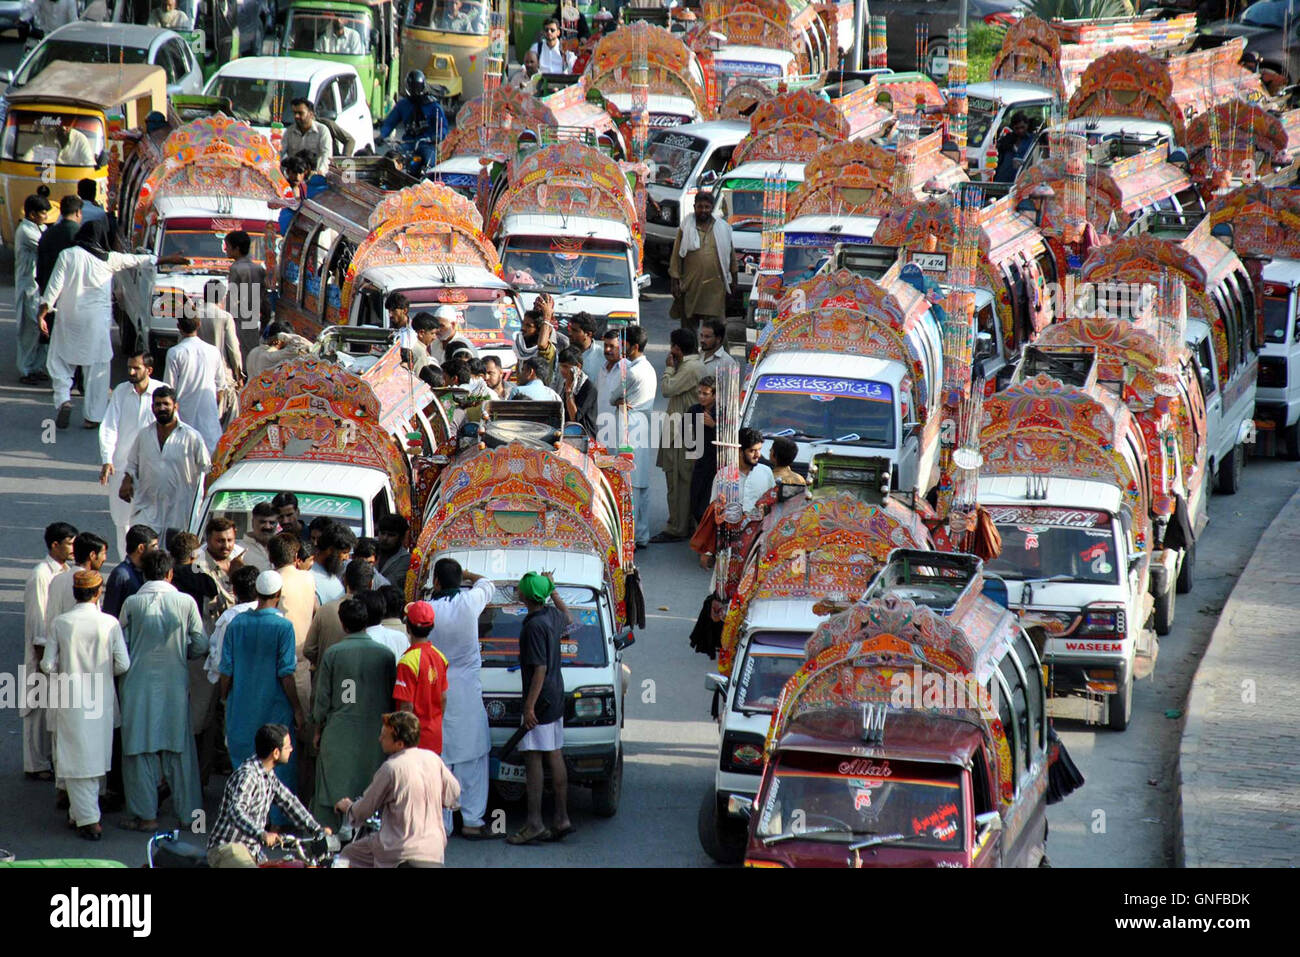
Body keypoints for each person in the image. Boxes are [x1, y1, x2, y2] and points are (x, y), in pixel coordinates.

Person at [38, 218, 162, 428]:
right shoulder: (110, 259)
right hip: (96, 322)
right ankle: (92, 417)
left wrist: (42, 314)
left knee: (59, 362)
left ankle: (63, 400)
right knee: (97, 370)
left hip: (69, 318)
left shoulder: (67, 255)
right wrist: (166, 259)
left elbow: (53, 289)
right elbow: (138, 260)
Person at [118, 549, 208, 831]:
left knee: (138, 750)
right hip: (174, 685)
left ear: (145, 573)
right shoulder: (186, 602)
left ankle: (146, 817)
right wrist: (183, 654)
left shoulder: (132, 604)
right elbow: (201, 644)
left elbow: (122, 647)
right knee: (179, 750)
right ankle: (189, 816)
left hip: (137, 686)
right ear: (170, 574)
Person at [41, 570, 130, 840]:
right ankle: (84, 815)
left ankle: (87, 818)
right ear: (98, 592)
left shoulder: (61, 623)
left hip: (72, 700)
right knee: (94, 757)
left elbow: (47, 664)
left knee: (79, 758)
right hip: (101, 700)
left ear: (75, 592)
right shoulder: (109, 623)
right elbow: (123, 664)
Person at [220, 569, 304, 812]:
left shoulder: (237, 624)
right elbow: (286, 673)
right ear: (278, 594)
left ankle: (244, 815)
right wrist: (297, 709)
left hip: (241, 708)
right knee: (278, 764)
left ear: (257, 593)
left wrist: (225, 698)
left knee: (243, 762)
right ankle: (275, 821)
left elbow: (226, 669)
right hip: (274, 709)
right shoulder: (283, 627)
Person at [311, 597, 396, 827]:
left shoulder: (333, 653)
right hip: (375, 732)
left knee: (332, 787)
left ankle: (330, 837)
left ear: (343, 624)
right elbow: (392, 697)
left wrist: (317, 730)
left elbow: (322, 699)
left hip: (338, 730)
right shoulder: (386, 655)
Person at [335, 711, 461, 867]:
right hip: (434, 849)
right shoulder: (433, 759)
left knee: (347, 856)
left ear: (399, 744)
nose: (380, 739)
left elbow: (365, 808)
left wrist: (348, 808)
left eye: (384, 736)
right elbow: (453, 793)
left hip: (398, 850)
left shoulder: (391, 768)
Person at [426, 558, 495, 839]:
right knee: (473, 757)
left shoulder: (428, 609)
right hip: (467, 690)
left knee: (441, 758)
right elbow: (487, 583)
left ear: (437, 582)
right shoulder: (470, 603)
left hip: (436, 690)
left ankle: (443, 824)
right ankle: (472, 820)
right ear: (460, 581)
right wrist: (469, 573)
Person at [507, 571, 573, 845]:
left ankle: (534, 823)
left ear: (525, 596)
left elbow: (539, 670)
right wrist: (553, 589)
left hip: (541, 698)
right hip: (555, 696)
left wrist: (529, 707)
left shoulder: (534, 626)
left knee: (534, 758)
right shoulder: (552, 617)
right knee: (554, 753)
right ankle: (561, 818)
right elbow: (569, 618)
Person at [206, 723, 329, 867]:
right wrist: (261, 833)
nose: (291, 749)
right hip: (228, 847)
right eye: (288, 746)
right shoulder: (248, 775)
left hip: (253, 851)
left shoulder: (268, 776)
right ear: (276, 753)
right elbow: (236, 811)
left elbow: (289, 802)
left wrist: (316, 829)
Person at [118, 387, 212, 544]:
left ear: (175, 406)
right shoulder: (144, 435)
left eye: (166, 404)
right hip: (148, 507)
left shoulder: (191, 436)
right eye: (157, 404)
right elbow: (132, 463)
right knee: (144, 552)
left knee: (174, 556)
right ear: (152, 407)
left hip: (180, 510)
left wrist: (203, 505)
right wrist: (126, 481)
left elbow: (206, 470)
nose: (161, 408)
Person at [22, 522, 77, 782]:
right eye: (69, 543)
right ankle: (35, 764)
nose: (72, 548)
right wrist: (44, 655)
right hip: (42, 651)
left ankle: (48, 760)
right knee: (35, 709)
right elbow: (37, 619)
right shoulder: (41, 574)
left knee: (50, 709)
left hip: (55, 650)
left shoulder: (67, 572)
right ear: (54, 545)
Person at [99, 349, 165, 559]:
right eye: (129, 367)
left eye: (136, 367)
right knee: (122, 521)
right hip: (122, 467)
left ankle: (151, 564)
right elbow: (109, 426)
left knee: (151, 520)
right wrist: (107, 459)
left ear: (149, 370)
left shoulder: (161, 393)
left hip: (152, 468)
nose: (131, 371)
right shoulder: (120, 391)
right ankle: (126, 563)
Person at [653, 327, 705, 543]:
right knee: (679, 480)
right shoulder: (689, 365)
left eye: (672, 345)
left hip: (683, 434)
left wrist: (667, 369)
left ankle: (677, 527)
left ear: (677, 348)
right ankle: (682, 522)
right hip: (680, 430)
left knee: (679, 481)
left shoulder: (690, 368)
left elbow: (667, 388)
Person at [669, 192, 737, 333]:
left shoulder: (722, 228)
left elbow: (731, 256)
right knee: (688, 333)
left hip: (715, 290)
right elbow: (676, 256)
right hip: (690, 287)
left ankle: (719, 355)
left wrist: (734, 281)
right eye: (700, 207)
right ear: (694, 207)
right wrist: (674, 282)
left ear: (712, 208)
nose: (703, 210)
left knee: (717, 332)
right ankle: (690, 355)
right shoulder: (686, 226)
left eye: (707, 207)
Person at [164, 311, 228, 454]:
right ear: (199, 325)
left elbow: (169, 389)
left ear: (178, 327)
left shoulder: (175, 353)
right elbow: (221, 388)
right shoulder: (213, 351)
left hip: (184, 418)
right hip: (209, 420)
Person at [616, 326, 657, 549]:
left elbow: (615, 395)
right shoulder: (648, 368)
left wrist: (618, 400)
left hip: (630, 424)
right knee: (640, 483)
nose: (622, 348)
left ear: (635, 346)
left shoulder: (632, 372)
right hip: (641, 423)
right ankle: (640, 534)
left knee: (629, 481)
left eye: (625, 344)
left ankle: (630, 536)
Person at [393, 600, 450, 754]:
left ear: (408, 627)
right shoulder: (440, 657)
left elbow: (406, 707)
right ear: (432, 627)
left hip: (413, 742)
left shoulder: (407, 661)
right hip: (435, 738)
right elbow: (443, 698)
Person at [304, 558, 374, 681]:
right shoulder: (375, 614)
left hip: (326, 684)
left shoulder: (325, 609)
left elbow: (309, 649)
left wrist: (323, 660)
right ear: (371, 584)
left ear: (344, 579)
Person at [379, 70, 449, 174]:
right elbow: (390, 122)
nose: (415, 91)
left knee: (430, 166)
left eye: (418, 87)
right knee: (390, 160)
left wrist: (436, 136)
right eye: (413, 87)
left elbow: (443, 127)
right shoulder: (403, 105)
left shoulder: (433, 106)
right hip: (408, 143)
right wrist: (382, 136)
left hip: (426, 143)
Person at [44, 532, 110, 639]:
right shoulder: (92, 583)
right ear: (92, 555)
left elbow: (51, 617)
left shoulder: (57, 579)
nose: (105, 558)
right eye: (103, 553)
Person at [15, 193, 51, 385]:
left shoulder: (40, 227)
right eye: (43, 213)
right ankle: (26, 370)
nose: (46, 217)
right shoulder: (26, 231)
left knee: (40, 330)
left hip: (39, 287)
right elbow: (46, 246)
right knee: (30, 330)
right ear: (32, 214)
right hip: (28, 286)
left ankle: (36, 367)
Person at [205, 564, 260, 686]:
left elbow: (219, 659)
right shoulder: (271, 616)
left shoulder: (229, 618)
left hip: (236, 683)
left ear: (234, 591)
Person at [195, 278, 244, 399]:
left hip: (195, 372)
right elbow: (233, 349)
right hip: (219, 375)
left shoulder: (192, 314)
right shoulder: (225, 317)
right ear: (222, 297)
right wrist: (239, 375)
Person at [103, 524, 158, 618]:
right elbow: (110, 613)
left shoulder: (149, 570)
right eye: (153, 546)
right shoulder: (121, 575)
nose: (157, 550)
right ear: (141, 548)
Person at [716, 427, 775, 513]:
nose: (758, 455)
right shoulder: (723, 475)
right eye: (752, 451)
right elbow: (715, 507)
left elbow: (772, 503)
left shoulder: (766, 472)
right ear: (740, 451)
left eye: (759, 449)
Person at [36, 195, 81, 298]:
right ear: (78, 212)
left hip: (49, 290)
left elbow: (40, 264)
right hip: (71, 293)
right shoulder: (81, 234)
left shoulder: (48, 233)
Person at [688, 375, 718, 527]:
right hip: (700, 463)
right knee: (695, 504)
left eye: (705, 394)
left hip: (717, 465)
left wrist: (713, 426)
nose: (701, 396)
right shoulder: (694, 411)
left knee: (708, 505)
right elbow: (685, 435)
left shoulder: (722, 413)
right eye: (699, 393)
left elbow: (731, 438)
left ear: (714, 395)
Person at [282, 98, 334, 176]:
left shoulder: (322, 130)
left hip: (315, 176)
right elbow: (280, 152)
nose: (296, 116)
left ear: (311, 114)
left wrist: (321, 171)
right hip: (295, 176)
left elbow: (326, 154)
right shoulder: (289, 132)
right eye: (294, 113)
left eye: (300, 113)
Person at [557, 346, 599, 436]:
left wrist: (569, 392)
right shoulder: (566, 383)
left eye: (566, 366)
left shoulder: (588, 388)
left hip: (584, 437)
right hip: (569, 434)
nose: (562, 370)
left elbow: (575, 418)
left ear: (578, 366)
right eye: (560, 366)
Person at [312, 523, 355, 604]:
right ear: (330, 550)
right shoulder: (306, 572)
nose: (347, 558)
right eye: (344, 552)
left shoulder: (333, 575)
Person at [995, 113, 1034, 184]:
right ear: (1013, 127)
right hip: (1003, 179)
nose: (1020, 131)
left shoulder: (1032, 140)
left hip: (1022, 180)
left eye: (1022, 127)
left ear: (1027, 125)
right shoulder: (1006, 139)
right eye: (1017, 128)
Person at [375, 514, 411, 586]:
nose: (385, 538)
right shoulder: (369, 548)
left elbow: (390, 584)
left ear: (401, 537)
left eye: (391, 535)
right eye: (382, 533)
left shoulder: (405, 559)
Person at [567, 312, 604, 381]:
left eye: (575, 331)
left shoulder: (603, 358)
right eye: (570, 329)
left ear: (588, 334)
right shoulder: (565, 352)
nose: (570, 333)